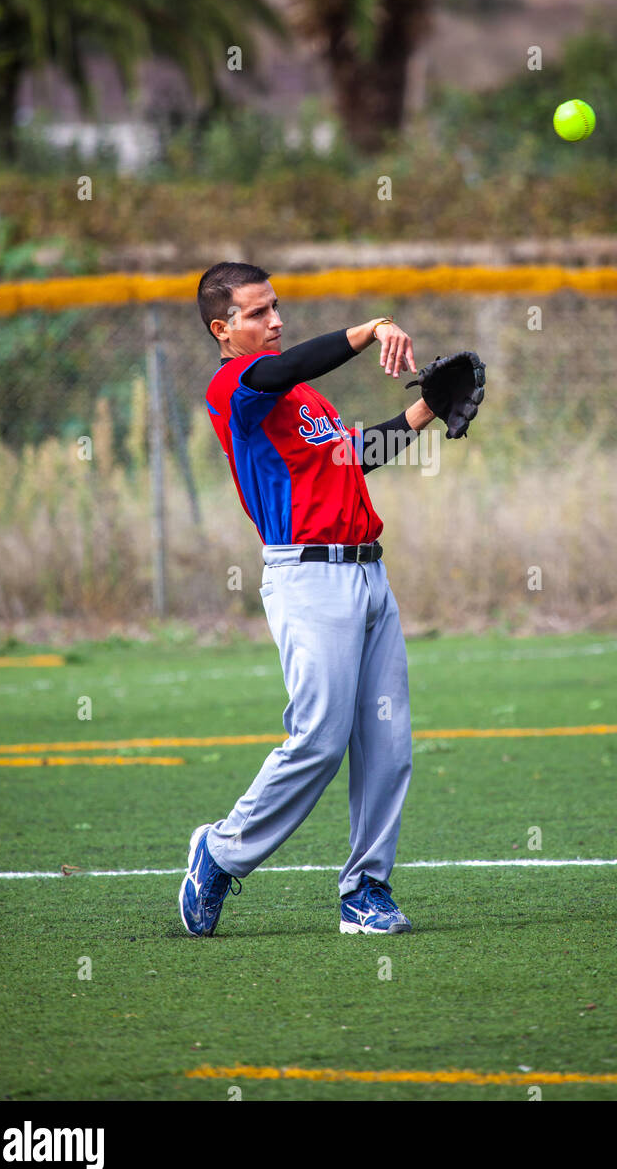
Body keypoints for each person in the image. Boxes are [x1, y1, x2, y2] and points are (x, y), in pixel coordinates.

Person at [178, 260, 436, 937]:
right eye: (257, 312)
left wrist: (427, 408)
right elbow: (285, 366)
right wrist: (371, 328)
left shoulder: (310, 405)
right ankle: (220, 852)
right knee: (320, 738)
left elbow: (357, 454)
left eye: (275, 307)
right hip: (308, 577)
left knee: (388, 742)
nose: (274, 321)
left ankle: (366, 892)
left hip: (369, 577)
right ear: (222, 328)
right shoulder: (236, 385)